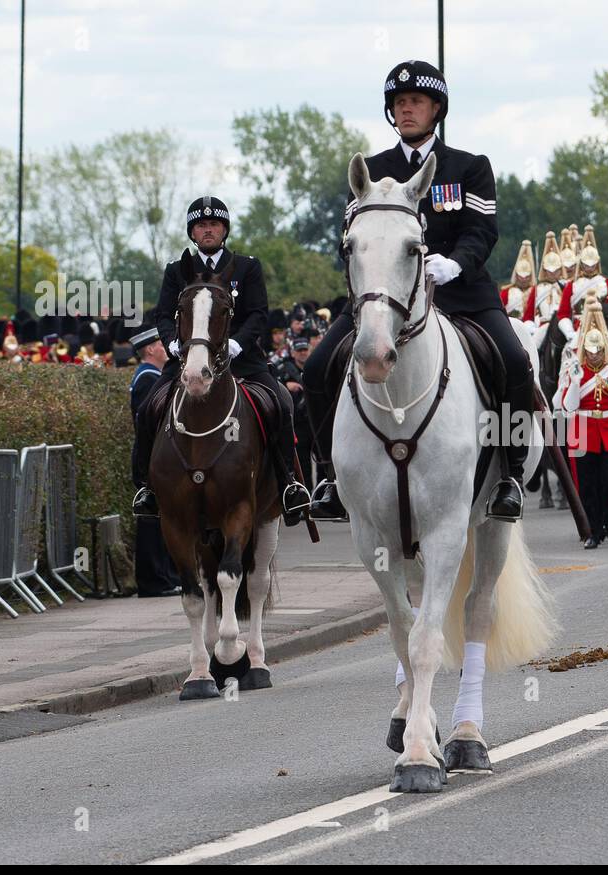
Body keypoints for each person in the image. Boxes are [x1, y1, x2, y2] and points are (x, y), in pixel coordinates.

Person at [303, 59, 534, 522]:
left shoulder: (469, 168)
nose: (407, 109)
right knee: (314, 370)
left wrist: (456, 263)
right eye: (399, 103)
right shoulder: (370, 171)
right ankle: (329, 477)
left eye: (417, 102)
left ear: (436, 109)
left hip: (460, 292)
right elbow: (353, 241)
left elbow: (482, 230)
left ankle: (509, 474)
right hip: (386, 300)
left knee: (513, 360)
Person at [131, 195, 312, 525]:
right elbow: (162, 314)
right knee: (148, 408)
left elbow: (258, 313)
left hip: (239, 358)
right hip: (188, 358)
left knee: (281, 402)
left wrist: (235, 344)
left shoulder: (246, 267)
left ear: (224, 229)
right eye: (201, 225)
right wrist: (173, 343)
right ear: (192, 232)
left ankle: (289, 485)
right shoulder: (177, 270)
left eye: (214, 224)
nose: (208, 230)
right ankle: (146, 487)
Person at [554, 300, 608, 549]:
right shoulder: (575, 362)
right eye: (590, 351)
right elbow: (568, 407)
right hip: (582, 431)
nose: (594, 355)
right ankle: (593, 531)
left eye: (598, 351)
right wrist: (575, 383)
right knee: (586, 485)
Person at [128, 327, 181, 597]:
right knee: (153, 524)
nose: (165, 347)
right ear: (150, 349)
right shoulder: (149, 379)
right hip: (150, 459)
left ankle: (167, 576)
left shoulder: (153, 377)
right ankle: (154, 580)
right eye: (161, 344)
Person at [275, 336, 314, 490]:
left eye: (305, 350)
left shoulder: (315, 366)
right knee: (303, 465)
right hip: (297, 423)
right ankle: (306, 495)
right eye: (299, 350)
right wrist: (286, 385)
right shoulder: (284, 369)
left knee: (325, 461)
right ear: (293, 352)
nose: (303, 353)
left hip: (315, 422)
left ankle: (325, 493)